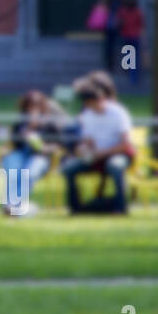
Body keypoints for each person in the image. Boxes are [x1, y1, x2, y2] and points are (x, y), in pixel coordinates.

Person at [61, 81, 134, 214]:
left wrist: (102, 153)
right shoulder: (87, 115)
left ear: (100, 99)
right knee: (69, 169)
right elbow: (88, 140)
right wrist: (82, 149)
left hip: (119, 153)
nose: (90, 106)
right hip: (96, 156)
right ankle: (76, 209)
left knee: (115, 166)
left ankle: (120, 208)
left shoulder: (118, 113)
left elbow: (126, 144)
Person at [0, 91, 67, 215]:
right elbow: (13, 144)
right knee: (12, 168)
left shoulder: (50, 125)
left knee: (28, 173)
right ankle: (11, 205)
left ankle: (14, 205)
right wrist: (29, 129)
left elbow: (59, 145)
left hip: (41, 156)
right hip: (21, 154)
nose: (33, 110)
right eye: (30, 106)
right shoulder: (20, 124)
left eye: (36, 106)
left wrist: (46, 147)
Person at [115, 0, 144, 85]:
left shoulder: (123, 11)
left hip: (127, 36)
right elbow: (141, 25)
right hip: (134, 36)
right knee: (134, 57)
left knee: (128, 56)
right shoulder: (137, 12)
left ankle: (130, 73)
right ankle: (133, 76)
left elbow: (118, 23)